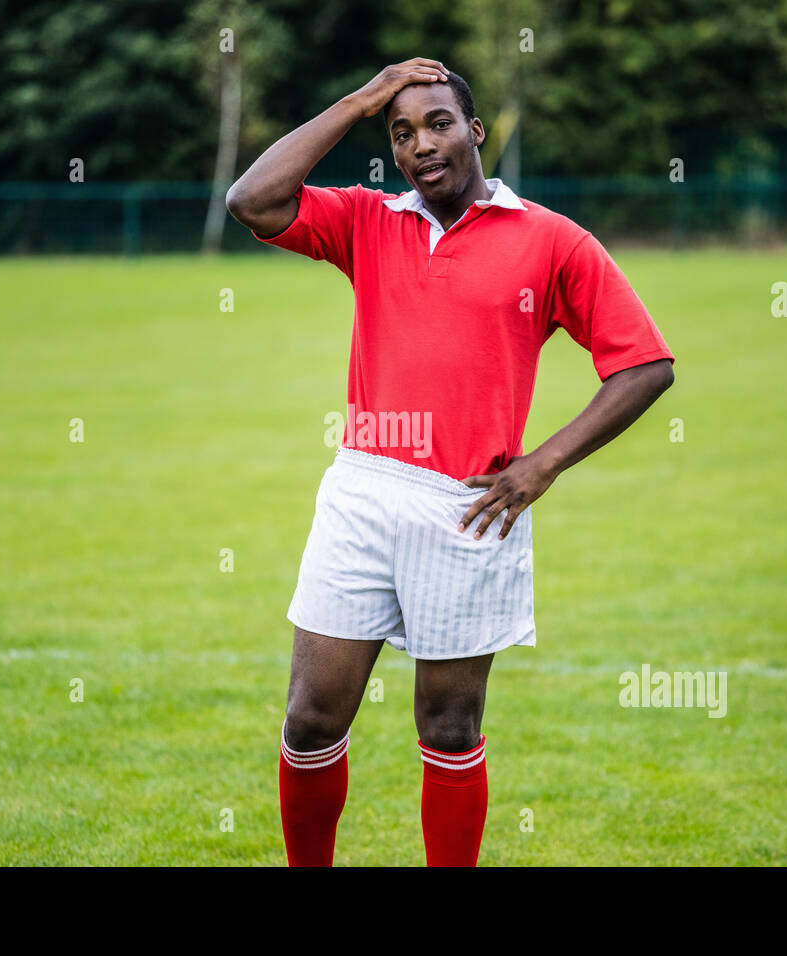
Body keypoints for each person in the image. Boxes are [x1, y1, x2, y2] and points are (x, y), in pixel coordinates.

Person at [226, 58, 676, 866]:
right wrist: (359, 98)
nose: (419, 145)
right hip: (363, 489)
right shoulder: (368, 219)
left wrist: (543, 465)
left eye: (437, 123)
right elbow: (252, 201)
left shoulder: (550, 238)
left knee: (449, 729)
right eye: (400, 133)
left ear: (474, 130)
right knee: (310, 722)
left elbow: (644, 364)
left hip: (470, 505)